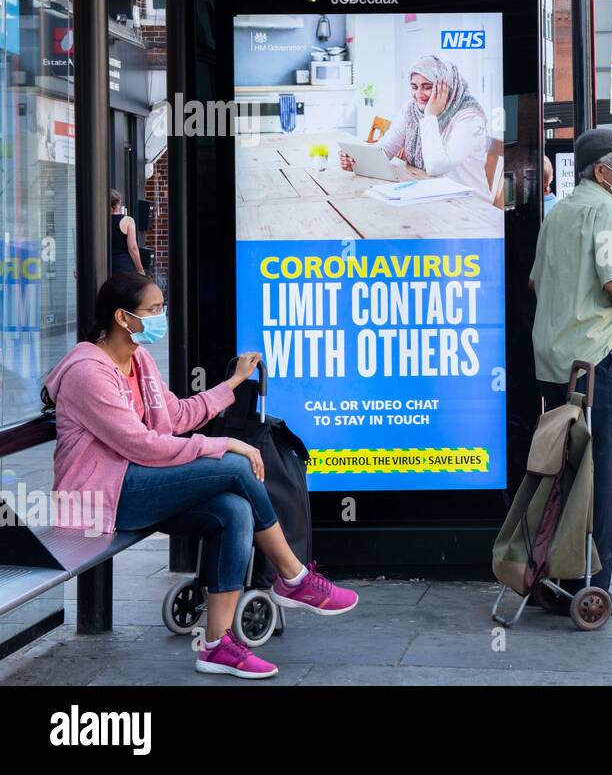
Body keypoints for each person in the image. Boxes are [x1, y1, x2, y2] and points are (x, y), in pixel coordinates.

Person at [43, 273, 359, 680]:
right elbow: (142, 445)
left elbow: (173, 418)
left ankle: (217, 645)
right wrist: (225, 444)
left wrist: (232, 384)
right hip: (102, 498)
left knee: (233, 510)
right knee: (235, 465)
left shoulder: (137, 360)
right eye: (154, 310)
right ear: (123, 318)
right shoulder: (88, 372)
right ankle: (293, 575)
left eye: (163, 307)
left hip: (137, 484)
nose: (162, 316)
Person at [528, 128, 612, 614]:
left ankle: (552, 574)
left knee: (563, 466)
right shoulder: (606, 208)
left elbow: (535, 281)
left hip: (552, 359)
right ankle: (593, 583)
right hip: (594, 357)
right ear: (602, 170)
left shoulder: (559, 213)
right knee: (606, 466)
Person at [339, 54, 492, 202]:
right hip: (431, 196)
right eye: (414, 87)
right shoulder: (411, 110)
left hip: (469, 205)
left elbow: (436, 167)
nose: (419, 94)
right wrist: (357, 161)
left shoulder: (470, 118)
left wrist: (430, 116)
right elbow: (384, 150)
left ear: (447, 86)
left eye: (427, 87)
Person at [109, 190, 145, 276]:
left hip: (104, 265)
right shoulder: (128, 221)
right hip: (124, 265)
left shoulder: (100, 221)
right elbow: (132, 248)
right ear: (119, 203)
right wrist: (140, 270)